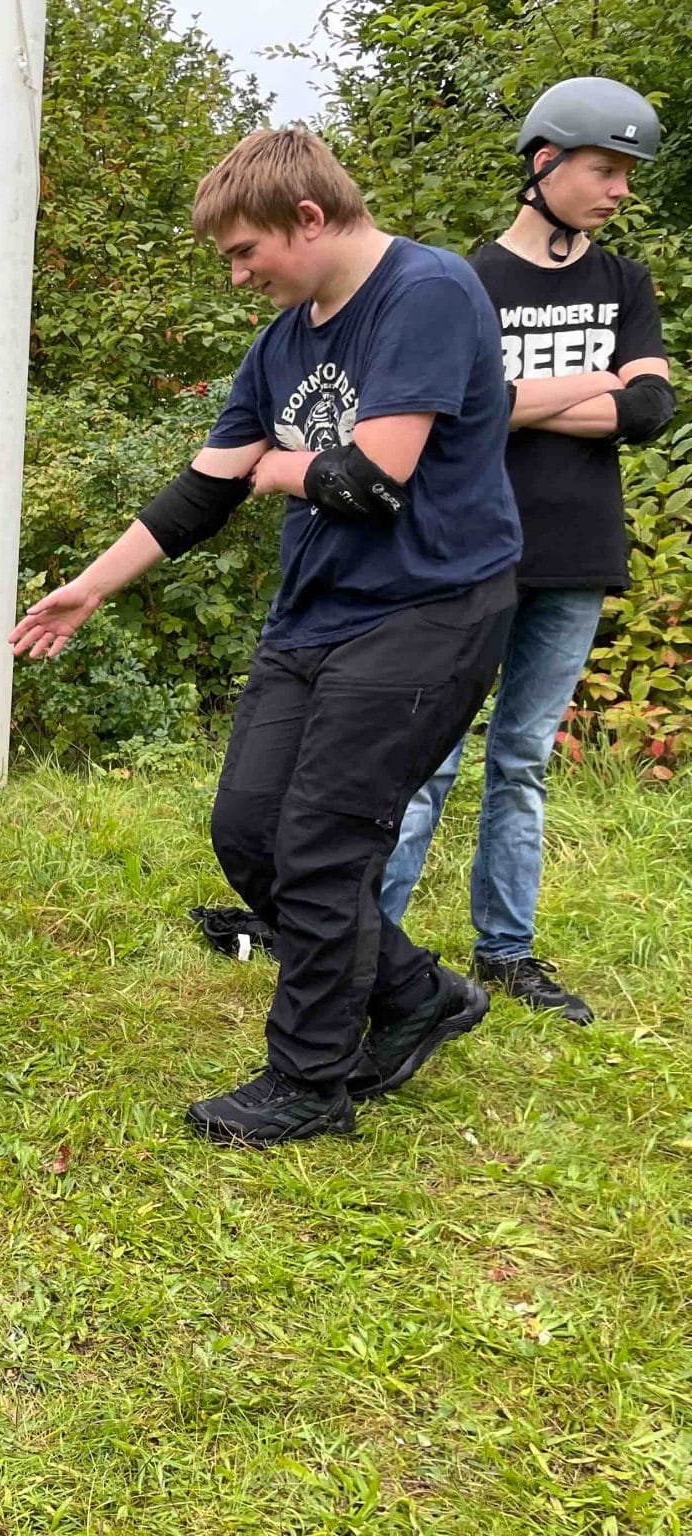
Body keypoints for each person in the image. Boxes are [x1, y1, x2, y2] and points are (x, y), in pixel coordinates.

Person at [11, 128, 524, 1146]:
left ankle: (309, 1082)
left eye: (245, 252)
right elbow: (204, 487)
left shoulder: (424, 292)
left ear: (305, 217)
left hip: (429, 609)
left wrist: (283, 469)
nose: (238, 275)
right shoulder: (280, 340)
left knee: (322, 843)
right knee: (249, 834)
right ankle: (417, 994)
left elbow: (369, 481)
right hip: (315, 614)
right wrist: (87, 589)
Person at [381, 78, 674, 1024]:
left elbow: (653, 408)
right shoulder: (464, 283)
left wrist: (523, 395)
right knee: (428, 759)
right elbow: (465, 407)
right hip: (470, 554)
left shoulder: (624, 282)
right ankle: (369, 942)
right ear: (544, 163)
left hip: (579, 555)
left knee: (522, 761)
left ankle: (506, 953)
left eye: (628, 173)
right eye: (604, 169)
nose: (619, 189)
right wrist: (592, 383)